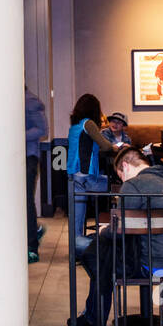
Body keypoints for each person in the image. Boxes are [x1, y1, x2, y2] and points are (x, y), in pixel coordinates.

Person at [70, 146, 163, 326]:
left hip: (145, 265)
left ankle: (93, 318)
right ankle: (92, 316)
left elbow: (119, 230)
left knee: (88, 249)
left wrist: (103, 231)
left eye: (120, 176)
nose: (122, 181)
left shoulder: (133, 185)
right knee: (100, 250)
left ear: (125, 166)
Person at [67, 93, 117, 262]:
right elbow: (106, 145)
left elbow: (88, 146)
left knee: (77, 221)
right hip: (85, 177)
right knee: (115, 187)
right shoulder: (89, 124)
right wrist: (118, 147)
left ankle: (79, 250)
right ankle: (101, 242)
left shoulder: (75, 125)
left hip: (74, 176)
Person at [25, 86, 48, 263]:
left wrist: (15, 135)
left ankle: (32, 247)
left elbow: (42, 130)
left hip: (28, 157)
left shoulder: (30, 102)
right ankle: (32, 233)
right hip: (12, 158)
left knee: (26, 201)